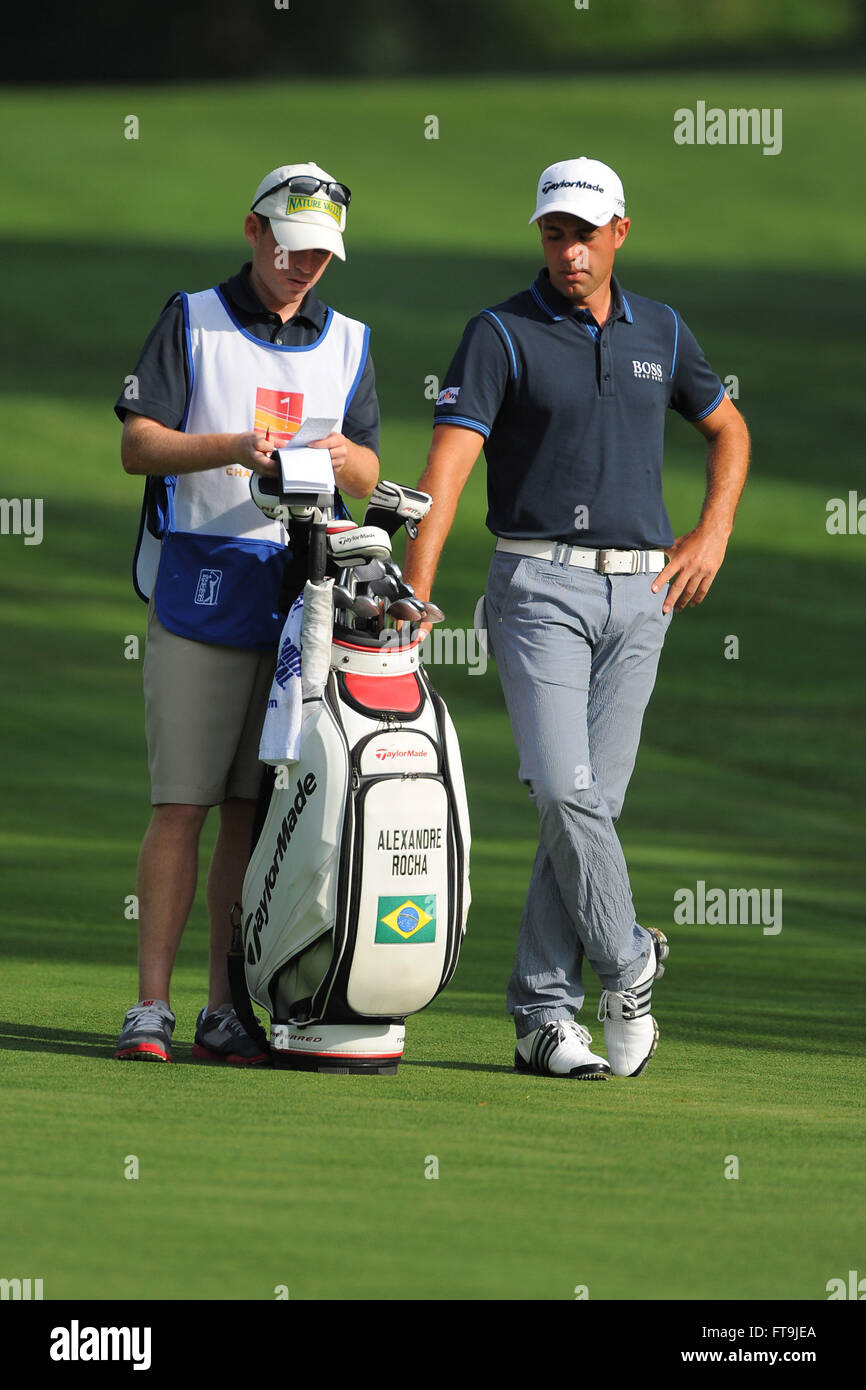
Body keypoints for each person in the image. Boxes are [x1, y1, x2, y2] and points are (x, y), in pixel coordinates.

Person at [403, 157, 749, 1079]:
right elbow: (446, 472)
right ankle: (630, 961)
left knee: (590, 808)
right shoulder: (499, 334)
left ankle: (544, 1020)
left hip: (644, 596)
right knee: (563, 792)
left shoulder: (663, 331)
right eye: (555, 232)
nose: (570, 250)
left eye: (586, 233)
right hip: (537, 587)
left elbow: (727, 427)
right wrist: (416, 587)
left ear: (620, 233)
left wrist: (710, 534)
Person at [113, 161, 380, 1064]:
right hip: (201, 590)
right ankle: (151, 1006)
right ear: (256, 232)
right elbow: (138, 445)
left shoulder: (347, 339)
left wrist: (347, 463)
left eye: (323, 254)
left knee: (250, 812)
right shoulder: (192, 317)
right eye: (295, 247)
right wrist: (234, 447)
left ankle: (224, 1008)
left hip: (301, 603)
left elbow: (372, 476)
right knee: (181, 803)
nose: (308, 266)